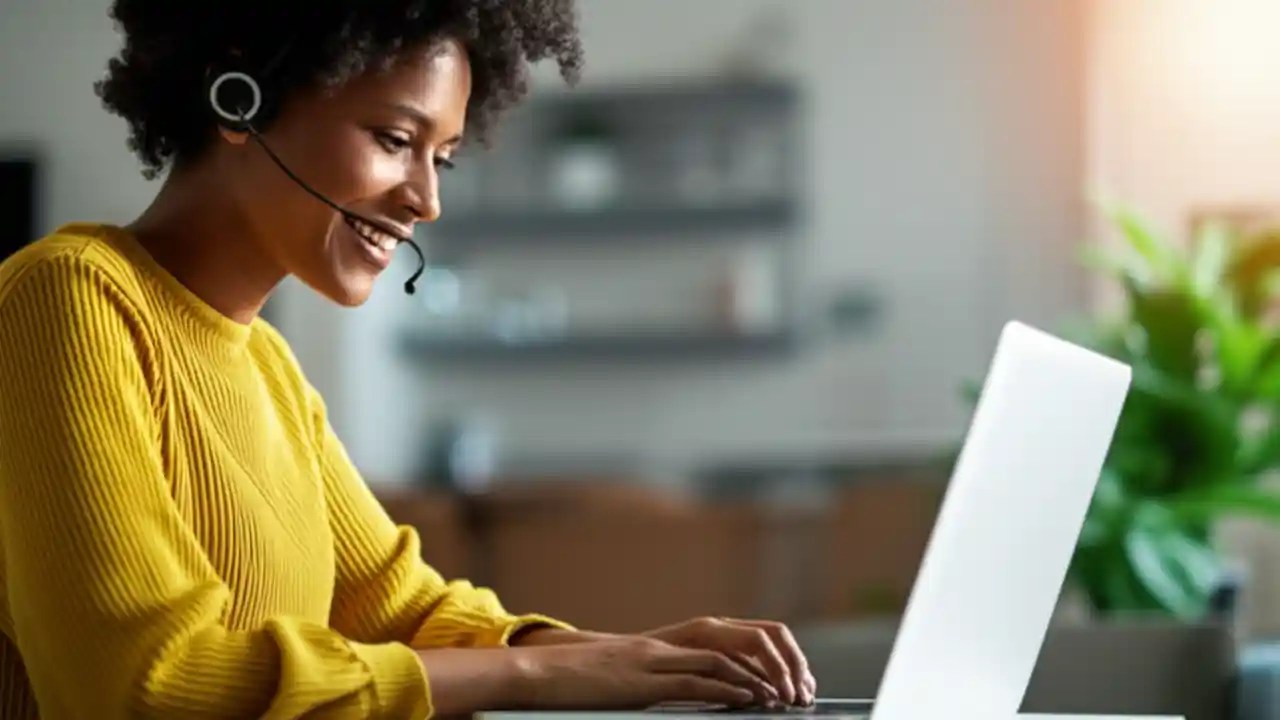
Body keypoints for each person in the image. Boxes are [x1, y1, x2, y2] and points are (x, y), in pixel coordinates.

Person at [0, 1, 817, 718]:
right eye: (396, 139)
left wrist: (642, 660)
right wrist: (538, 672)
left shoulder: (268, 369)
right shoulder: (62, 302)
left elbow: (400, 609)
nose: (427, 198)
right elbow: (150, 686)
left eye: (444, 158)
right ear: (238, 98)